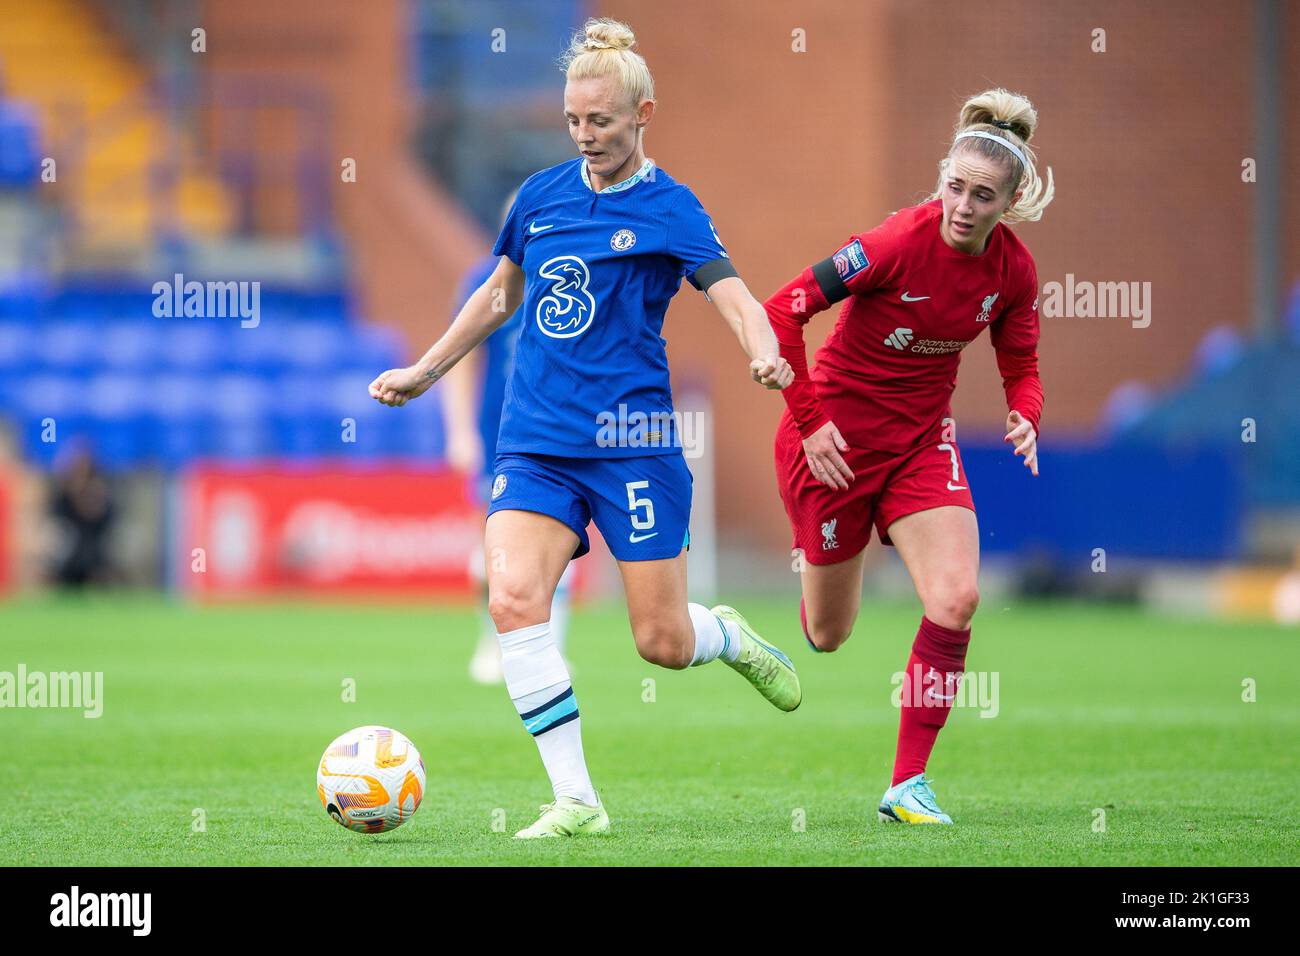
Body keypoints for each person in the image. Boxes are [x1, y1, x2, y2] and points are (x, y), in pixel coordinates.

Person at [370, 18, 801, 838]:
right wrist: (429, 370)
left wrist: (764, 353)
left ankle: (728, 635)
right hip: (534, 441)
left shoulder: (672, 209)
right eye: (574, 120)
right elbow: (498, 296)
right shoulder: (539, 198)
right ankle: (577, 800)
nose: (585, 135)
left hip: (632, 446)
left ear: (643, 114)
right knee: (513, 599)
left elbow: (736, 296)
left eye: (600, 121)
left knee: (662, 642)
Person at [764, 88, 1054, 825]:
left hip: (923, 444)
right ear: (941, 181)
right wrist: (809, 421)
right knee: (829, 636)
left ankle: (907, 783)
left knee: (956, 599)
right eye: (954, 187)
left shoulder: (1013, 273)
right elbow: (782, 310)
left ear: (1010, 201)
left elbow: (1020, 362)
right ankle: (812, 591)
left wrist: (1025, 414)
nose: (962, 205)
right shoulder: (894, 243)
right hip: (831, 447)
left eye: (982, 196)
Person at [441, 193, 576, 685]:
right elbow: (460, 360)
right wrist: (458, 433)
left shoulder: (570, 277)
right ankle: (490, 639)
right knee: (493, 554)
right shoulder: (484, 281)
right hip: (496, 435)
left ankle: (551, 649)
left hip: (556, 437)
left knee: (552, 550)